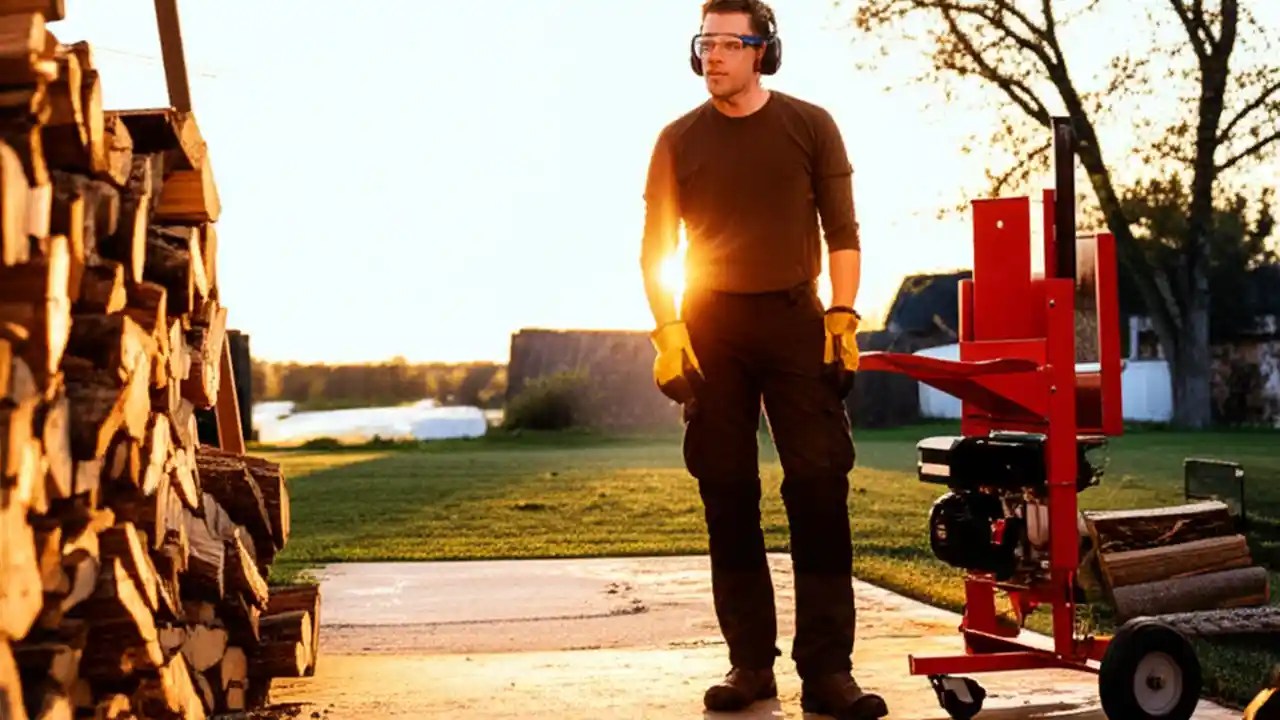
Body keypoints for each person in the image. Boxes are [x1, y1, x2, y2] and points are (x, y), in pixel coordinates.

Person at [638, 1, 887, 718]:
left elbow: (843, 232)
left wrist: (842, 314)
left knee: (819, 486)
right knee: (726, 490)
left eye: (729, 42)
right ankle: (750, 664)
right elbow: (656, 247)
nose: (712, 55)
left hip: (794, 318)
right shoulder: (676, 140)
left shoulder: (811, 125)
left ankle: (828, 672)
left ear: (763, 52)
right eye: (704, 42)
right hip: (711, 324)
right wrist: (669, 329)